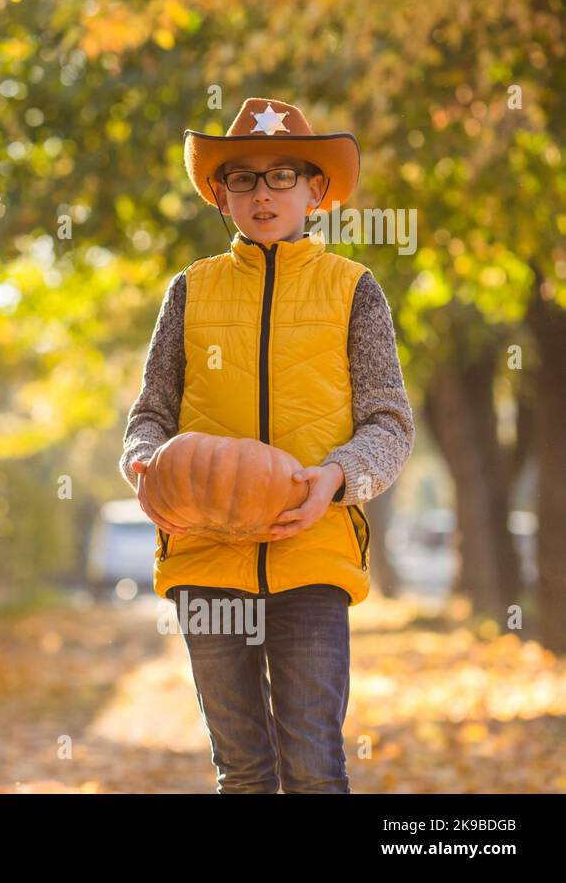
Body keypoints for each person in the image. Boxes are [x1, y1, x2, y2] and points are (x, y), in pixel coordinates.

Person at [119, 97, 415, 792]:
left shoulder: (353, 290)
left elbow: (389, 423)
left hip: (312, 551)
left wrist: (337, 478)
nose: (262, 193)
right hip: (204, 552)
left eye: (282, 175)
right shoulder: (190, 290)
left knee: (313, 764)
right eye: (243, 179)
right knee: (243, 770)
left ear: (316, 190)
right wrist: (141, 462)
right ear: (222, 195)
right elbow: (151, 414)